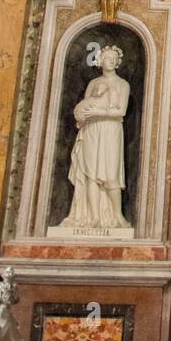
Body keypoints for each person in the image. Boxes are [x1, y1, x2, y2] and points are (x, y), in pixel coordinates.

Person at [61, 46, 131, 232]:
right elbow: (84, 107)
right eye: (106, 57)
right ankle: (93, 217)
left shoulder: (122, 84)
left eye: (112, 58)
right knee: (91, 173)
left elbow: (121, 111)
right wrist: (83, 115)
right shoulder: (93, 83)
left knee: (111, 173)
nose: (109, 61)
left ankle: (117, 216)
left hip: (110, 130)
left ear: (117, 62)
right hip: (92, 129)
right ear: (100, 61)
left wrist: (97, 111)